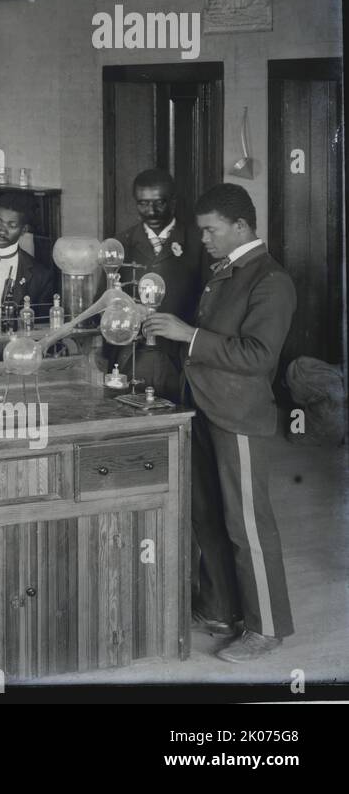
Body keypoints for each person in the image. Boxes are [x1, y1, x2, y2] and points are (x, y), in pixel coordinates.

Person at [144, 183, 297, 663]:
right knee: (208, 515)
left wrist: (187, 334)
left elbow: (256, 356)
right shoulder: (225, 271)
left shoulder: (270, 280)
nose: (204, 238)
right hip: (206, 408)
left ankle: (267, 628)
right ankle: (219, 611)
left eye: (210, 230)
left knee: (248, 524)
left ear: (241, 226)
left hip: (239, 415)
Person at [104, 168, 207, 402]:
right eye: (143, 203)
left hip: (180, 357)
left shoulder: (199, 242)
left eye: (159, 203)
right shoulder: (120, 243)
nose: (151, 211)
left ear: (173, 201)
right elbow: (106, 300)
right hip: (132, 354)